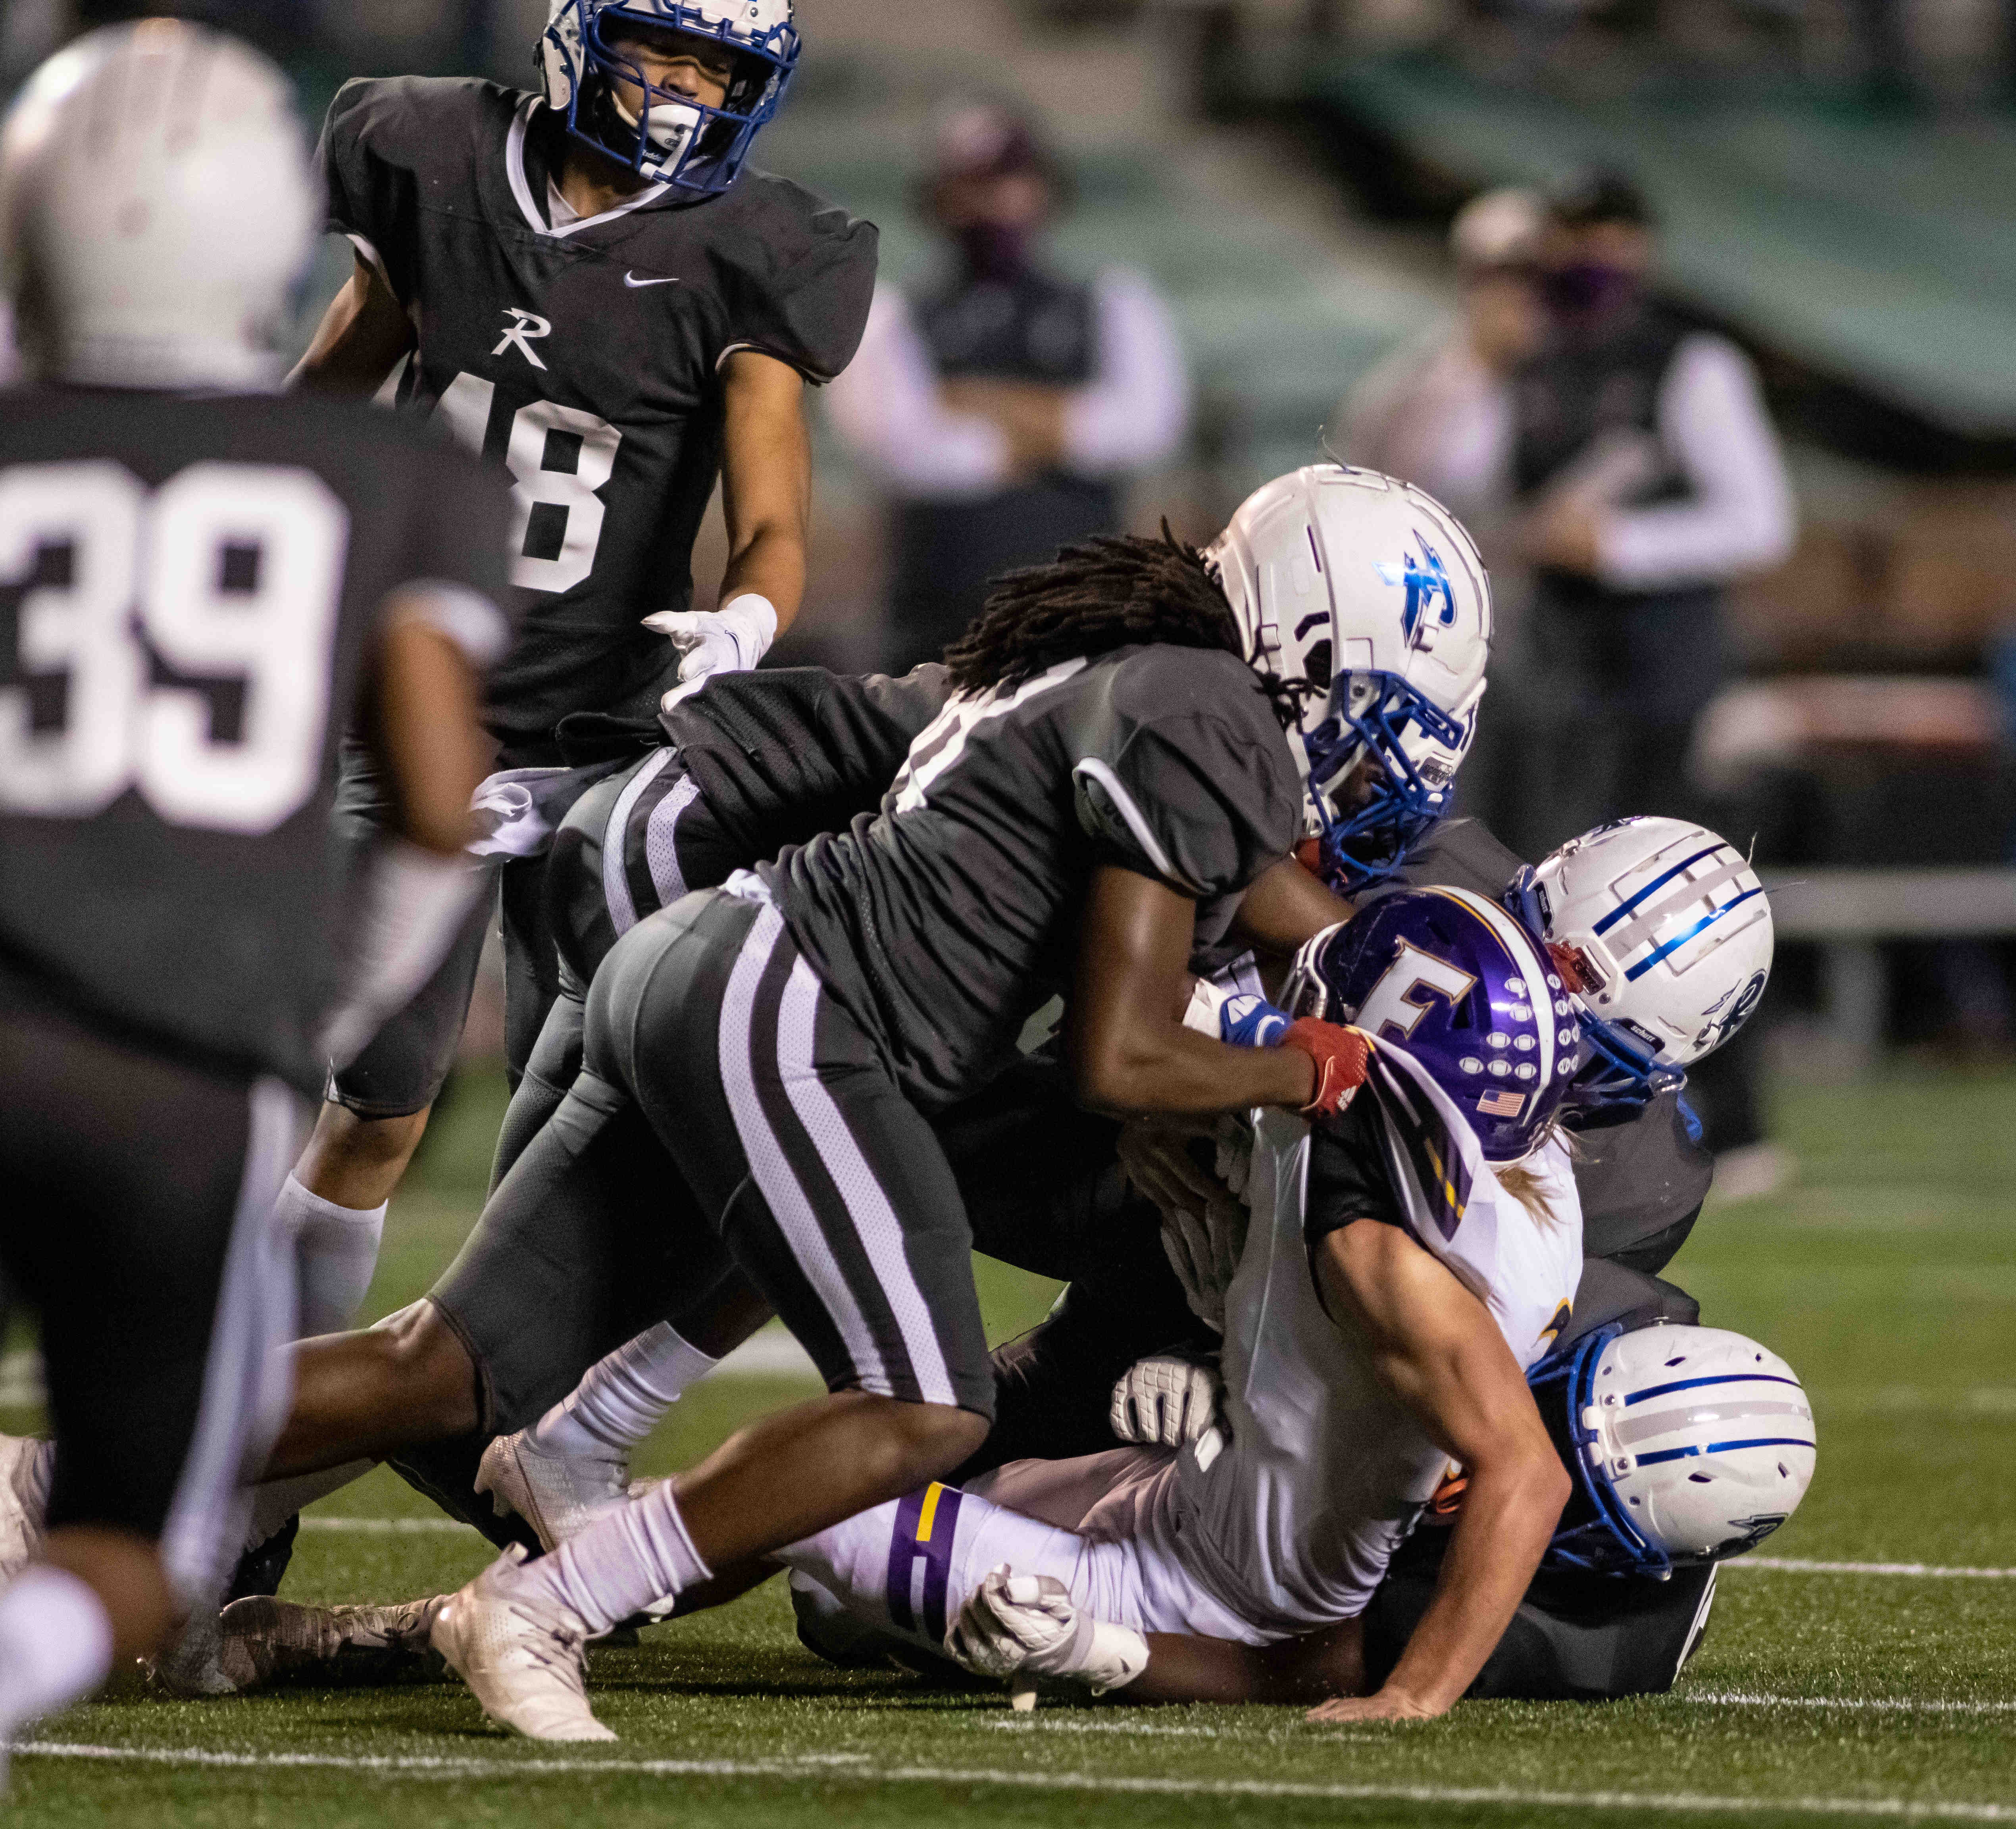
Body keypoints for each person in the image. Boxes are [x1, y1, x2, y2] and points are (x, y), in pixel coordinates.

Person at [0, 19, 506, 1753]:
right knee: (136, 1549)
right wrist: (330, 1006)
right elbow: (442, 807)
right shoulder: (390, 476)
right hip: (170, 1074)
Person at [271, 0, 878, 1368]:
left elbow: (773, 509)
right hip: (419, 703)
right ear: (579, 36)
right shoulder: (433, 159)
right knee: (377, 1099)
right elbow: (326, 395)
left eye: (719, 67)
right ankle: (255, 1452)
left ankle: (477, 1432)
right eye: (664, 49)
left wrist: (747, 621)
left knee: (559, 1146)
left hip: (606, 746)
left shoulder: (754, 251)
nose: (684, 88)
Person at [826, 97, 1189, 676]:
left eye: (1011, 182)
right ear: (938, 198)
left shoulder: (1111, 302)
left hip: (1087, 630)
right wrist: (1062, 432)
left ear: (1044, 189)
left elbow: (1146, 427)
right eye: (972, 186)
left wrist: (978, 403)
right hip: (934, 635)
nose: (995, 204)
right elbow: (909, 452)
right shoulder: (892, 314)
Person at [1508, 168, 1795, 859]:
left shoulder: (1691, 362)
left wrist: (1619, 545)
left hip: (1661, 676)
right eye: (1574, 237)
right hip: (1560, 674)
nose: (1590, 259)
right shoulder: (1534, 358)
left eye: (1610, 239)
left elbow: (1762, 523)